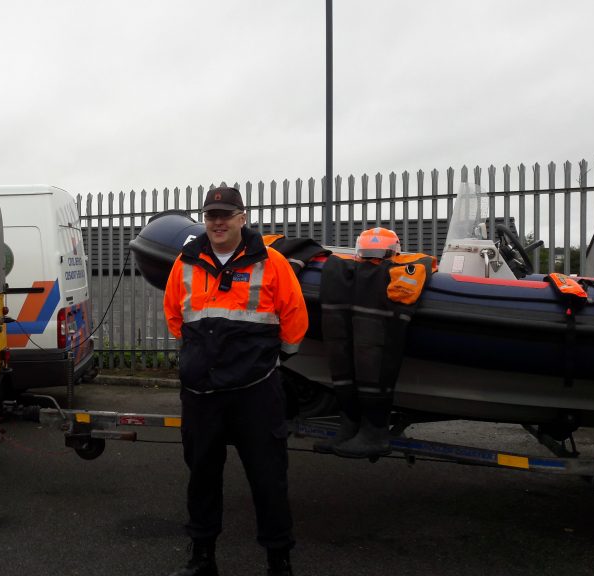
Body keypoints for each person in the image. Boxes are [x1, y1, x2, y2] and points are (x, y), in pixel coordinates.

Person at [163, 185, 308, 576]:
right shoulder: (185, 262)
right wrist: (200, 358)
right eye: (211, 214)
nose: (218, 221)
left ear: (243, 218)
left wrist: (273, 359)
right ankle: (202, 558)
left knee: (268, 479)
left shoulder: (271, 262)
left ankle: (279, 559)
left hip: (255, 392)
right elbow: (175, 317)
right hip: (201, 393)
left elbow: (294, 318)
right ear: (204, 219)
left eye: (226, 214)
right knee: (202, 478)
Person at [313, 227, 434, 458]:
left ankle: (374, 429)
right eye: (367, 255)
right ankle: (351, 422)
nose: (372, 261)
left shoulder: (408, 267)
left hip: (378, 343)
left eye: (379, 255)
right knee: (344, 353)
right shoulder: (344, 266)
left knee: (371, 355)